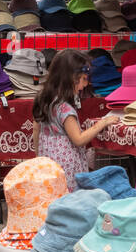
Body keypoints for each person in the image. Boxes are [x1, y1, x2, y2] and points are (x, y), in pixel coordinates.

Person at [32, 49, 119, 190]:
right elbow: (79, 139)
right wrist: (102, 123)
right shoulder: (65, 109)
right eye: (84, 79)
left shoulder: (43, 99)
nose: (85, 85)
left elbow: (36, 128)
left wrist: (38, 156)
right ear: (72, 78)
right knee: (69, 200)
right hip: (67, 168)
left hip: (47, 162)